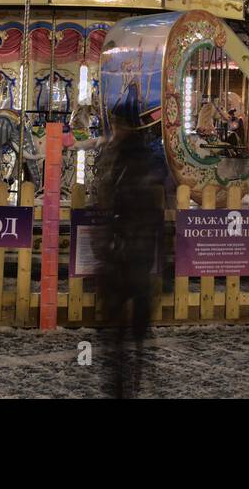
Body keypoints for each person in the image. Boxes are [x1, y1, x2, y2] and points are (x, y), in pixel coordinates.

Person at [94, 101, 165, 398]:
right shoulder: (148, 158)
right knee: (134, 323)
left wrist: (106, 242)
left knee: (117, 326)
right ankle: (131, 376)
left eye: (117, 122)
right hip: (139, 248)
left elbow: (109, 201)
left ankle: (122, 383)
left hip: (124, 247)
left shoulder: (118, 158)